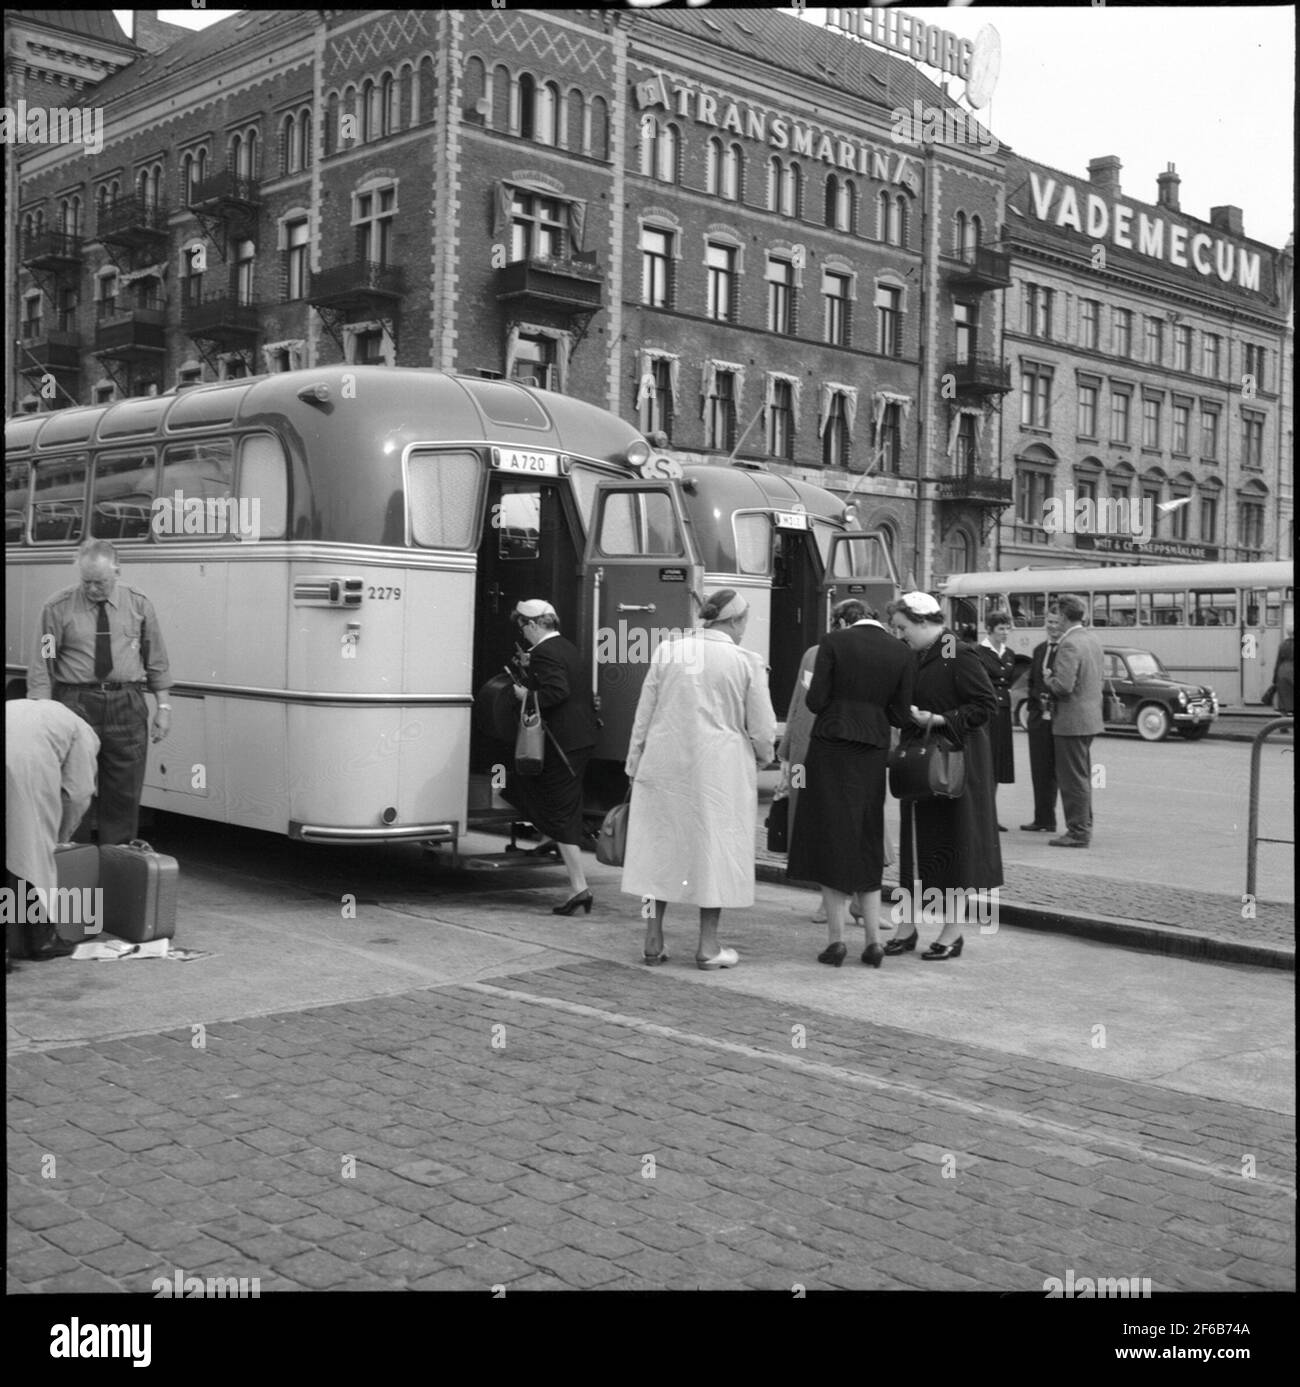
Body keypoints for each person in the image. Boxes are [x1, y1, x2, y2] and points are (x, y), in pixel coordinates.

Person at [622, 589, 776, 970]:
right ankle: (708, 946)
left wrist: (633, 764)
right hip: (719, 772)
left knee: (658, 852)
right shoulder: (745, 661)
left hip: (663, 764)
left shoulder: (668, 651)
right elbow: (762, 729)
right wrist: (763, 758)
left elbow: (644, 714)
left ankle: (653, 939)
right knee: (714, 854)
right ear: (736, 620)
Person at [786, 599, 913, 968]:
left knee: (830, 837)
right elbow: (901, 713)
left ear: (845, 620)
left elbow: (815, 700)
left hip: (831, 750)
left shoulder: (833, 643)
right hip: (872, 751)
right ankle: (873, 941)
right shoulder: (900, 651)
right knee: (866, 836)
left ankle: (837, 941)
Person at [27, 539, 171, 845]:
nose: (92, 589)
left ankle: (116, 866)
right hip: (75, 705)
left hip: (127, 704)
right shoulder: (57, 608)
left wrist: (164, 707)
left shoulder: (139, 604)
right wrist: (40, 713)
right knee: (74, 791)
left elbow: (155, 657)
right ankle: (71, 862)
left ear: (117, 571)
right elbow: (44, 661)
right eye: (86, 582)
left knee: (124, 793)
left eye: (100, 582)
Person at [886, 592, 1002, 960]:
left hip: (954, 763)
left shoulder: (957, 652)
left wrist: (938, 719)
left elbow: (985, 706)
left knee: (954, 845)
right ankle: (907, 927)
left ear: (924, 623)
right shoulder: (917, 653)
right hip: (922, 760)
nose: (901, 635)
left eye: (904, 628)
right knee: (916, 844)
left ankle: (952, 933)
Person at [505, 599, 599, 915]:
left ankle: (579, 888)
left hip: (561, 744)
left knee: (560, 811)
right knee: (560, 806)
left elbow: (556, 692)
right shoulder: (565, 647)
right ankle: (552, 842)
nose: (524, 634)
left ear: (533, 624)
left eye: (523, 627)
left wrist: (525, 695)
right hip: (579, 741)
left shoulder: (545, 653)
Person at [6, 697, 100, 963]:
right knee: (29, 854)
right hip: (21, 767)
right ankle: (43, 941)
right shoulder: (81, 729)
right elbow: (79, 793)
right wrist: (60, 837)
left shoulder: (26, 707)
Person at [1044, 594, 1104, 848]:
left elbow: (1064, 686)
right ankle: (1084, 824)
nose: (1056, 620)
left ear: (1065, 617)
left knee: (1072, 778)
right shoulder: (1092, 639)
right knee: (1081, 775)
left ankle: (1077, 831)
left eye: (1058, 615)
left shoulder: (1069, 644)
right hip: (1089, 718)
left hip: (1070, 720)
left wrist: (1048, 679)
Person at [973, 612, 1016, 832]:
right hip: (987, 712)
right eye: (1001, 629)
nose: (1005, 633)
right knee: (985, 760)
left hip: (1004, 712)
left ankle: (991, 813)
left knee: (998, 763)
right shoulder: (978, 653)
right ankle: (982, 814)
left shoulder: (1009, 654)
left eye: (1008, 629)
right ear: (989, 629)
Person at [1020, 609, 1063, 832]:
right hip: (1038, 718)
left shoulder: (1066, 650)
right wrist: (1034, 705)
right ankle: (1043, 818)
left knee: (1061, 772)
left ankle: (1073, 821)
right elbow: (1032, 682)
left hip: (1059, 717)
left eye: (1057, 622)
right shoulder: (1038, 650)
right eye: (1049, 622)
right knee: (1039, 770)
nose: (1053, 626)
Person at [1274, 626, 1294, 714]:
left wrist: (1274, 678)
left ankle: (1283, 723)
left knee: (1283, 699)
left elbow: (1278, 662)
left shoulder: (1282, 645)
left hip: (1282, 671)